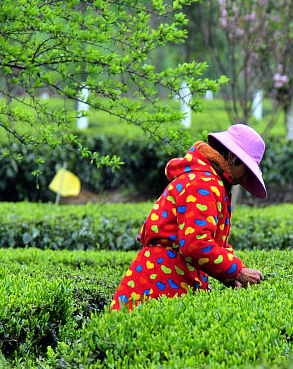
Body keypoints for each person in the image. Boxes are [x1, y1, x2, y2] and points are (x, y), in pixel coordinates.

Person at [111, 124, 266, 311]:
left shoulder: (208, 180)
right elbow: (196, 244)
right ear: (233, 158)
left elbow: (214, 243)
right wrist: (237, 271)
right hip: (159, 284)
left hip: (169, 280)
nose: (245, 178)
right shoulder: (203, 183)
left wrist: (233, 274)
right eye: (247, 169)